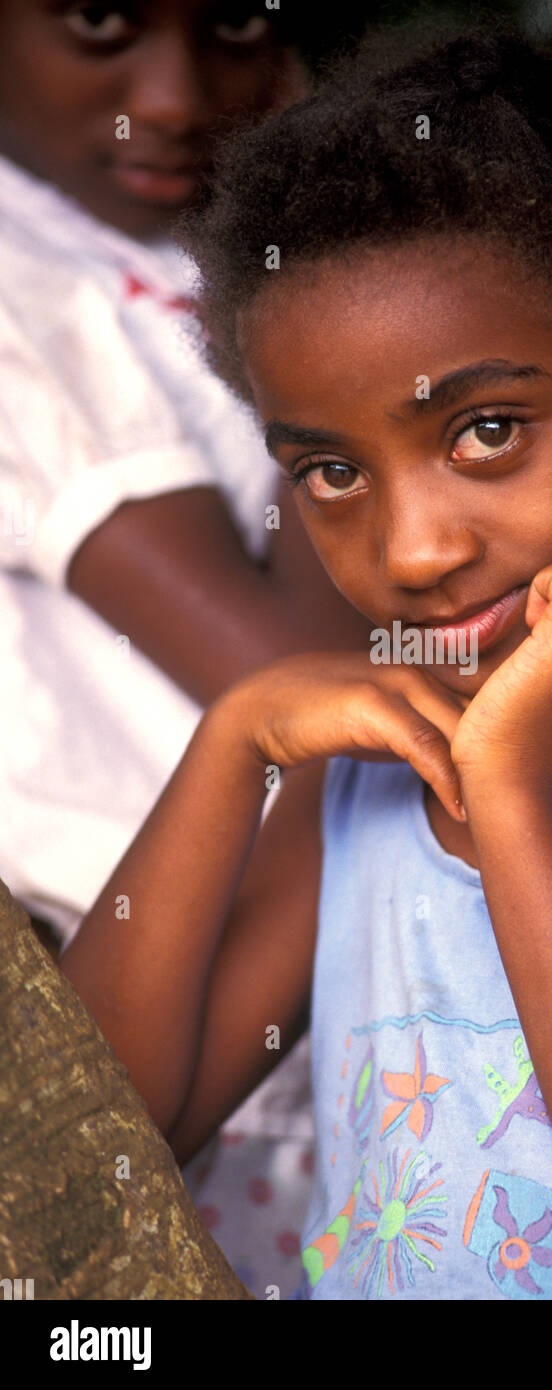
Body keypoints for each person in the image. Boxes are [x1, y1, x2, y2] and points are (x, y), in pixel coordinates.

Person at [58, 22, 552, 1300]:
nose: (411, 551)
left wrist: (514, 800)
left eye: (486, 431)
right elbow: (82, 1153)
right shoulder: (380, 761)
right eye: (332, 472)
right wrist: (229, 740)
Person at [0, 0, 366, 1298]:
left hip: (312, 1037)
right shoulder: (26, 277)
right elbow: (298, 689)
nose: (170, 96)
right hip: (157, 1016)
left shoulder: (194, 256)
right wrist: (347, 312)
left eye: (238, 20)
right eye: (98, 18)